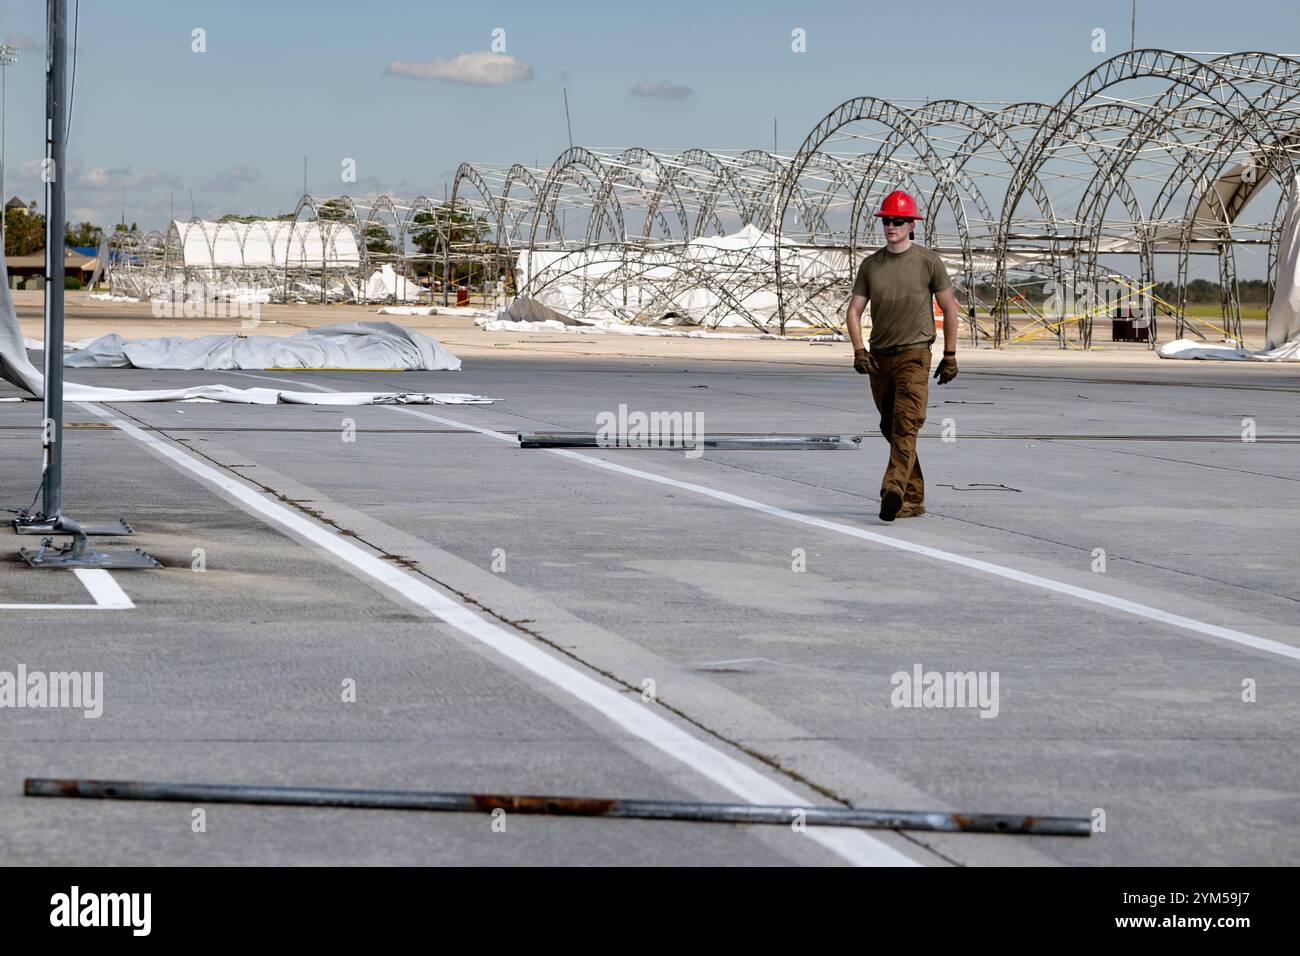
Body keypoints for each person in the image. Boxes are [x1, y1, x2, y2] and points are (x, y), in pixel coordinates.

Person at [845, 190, 960, 522]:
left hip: (915, 355)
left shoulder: (928, 262)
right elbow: (853, 311)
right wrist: (858, 350)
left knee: (906, 424)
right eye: (886, 221)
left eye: (898, 221)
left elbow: (950, 310)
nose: (891, 226)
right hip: (879, 359)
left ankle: (892, 489)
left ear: (912, 226)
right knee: (890, 426)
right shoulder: (871, 265)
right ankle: (912, 498)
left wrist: (950, 355)